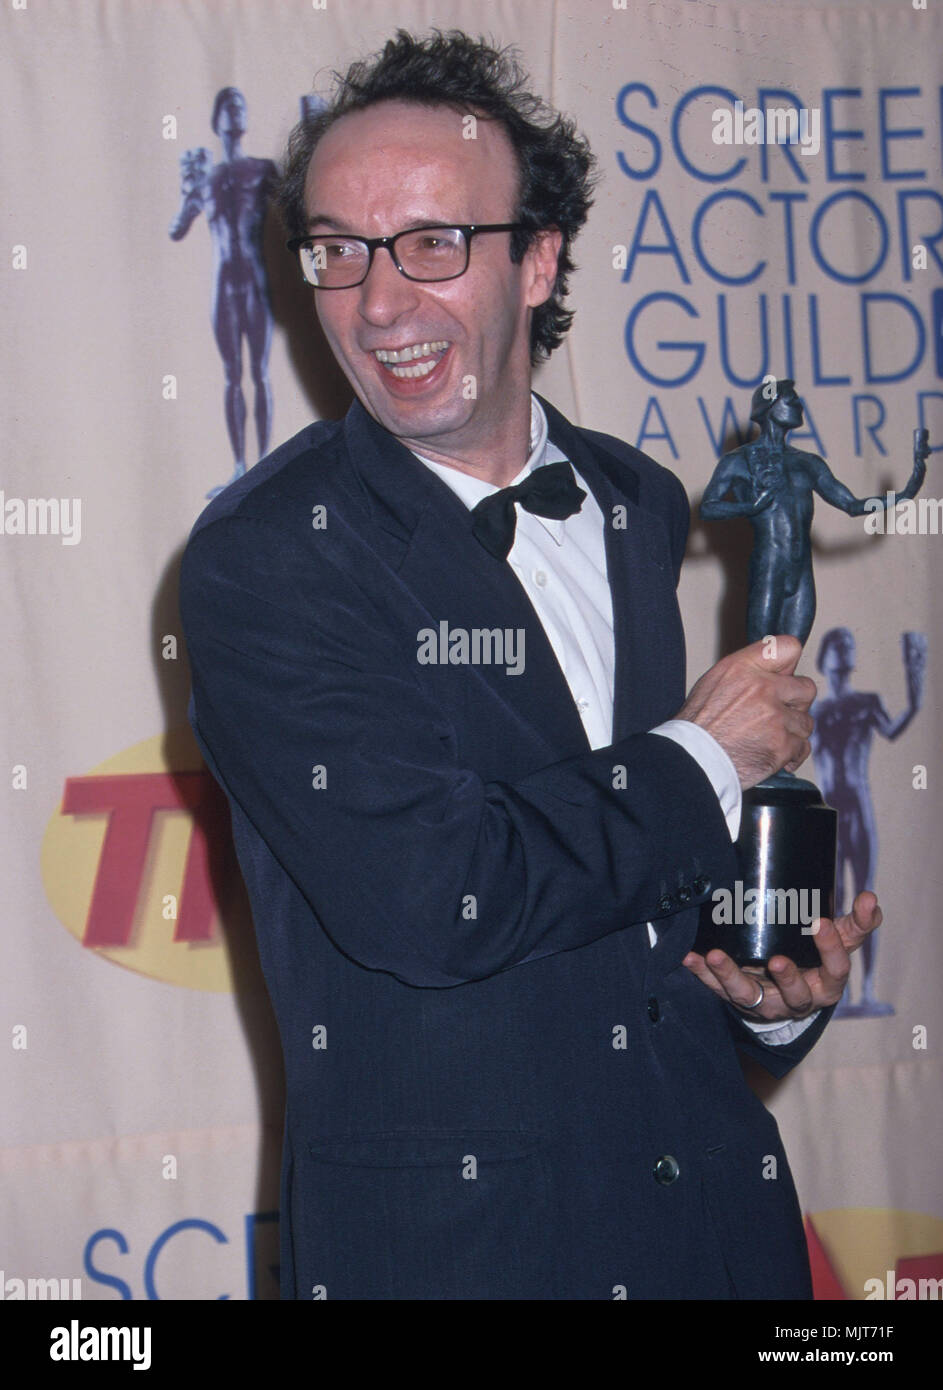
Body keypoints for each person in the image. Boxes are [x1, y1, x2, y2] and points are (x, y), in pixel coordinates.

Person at [180, 29, 882, 1300]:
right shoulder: (268, 557)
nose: (379, 303)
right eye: (338, 250)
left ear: (540, 258)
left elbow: (629, 896)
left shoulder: (636, 502)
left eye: (433, 245)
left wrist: (764, 993)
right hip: (460, 1258)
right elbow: (430, 894)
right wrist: (705, 754)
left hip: (717, 1238)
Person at [700, 380, 929, 645]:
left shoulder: (807, 463)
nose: (799, 405)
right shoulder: (738, 461)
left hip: (801, 575)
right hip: (770, 569)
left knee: (788, 660)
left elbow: (852, 505)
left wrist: (906, 492)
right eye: (792, 399)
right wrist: (749, 508)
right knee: (760, 664)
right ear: (770, 407)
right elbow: (708, 507)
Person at [812, 627, 926, 1017]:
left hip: (858, 806)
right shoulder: (814, 710)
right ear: (825, 659)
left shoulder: (866, 702)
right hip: (829, 811)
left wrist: (915, 691)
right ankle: (841, 990)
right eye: (838, 646)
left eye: (850, 646)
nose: (845, 652)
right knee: (836, 899)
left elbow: (892, 730)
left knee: (864, 899)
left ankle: (870, 988)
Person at [170, 87, 277, 498]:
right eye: (229, 106)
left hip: (255, 278)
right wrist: (187, 193)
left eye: (241, 105)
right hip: (223, 284)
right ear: (218, 119)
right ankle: (239, 467)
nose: (236, 112)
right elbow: (177, 229)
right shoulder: (207, 178)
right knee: (232, 375)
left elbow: (302, 204)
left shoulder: (262, 170)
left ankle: (265, 463)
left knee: (260, 373)